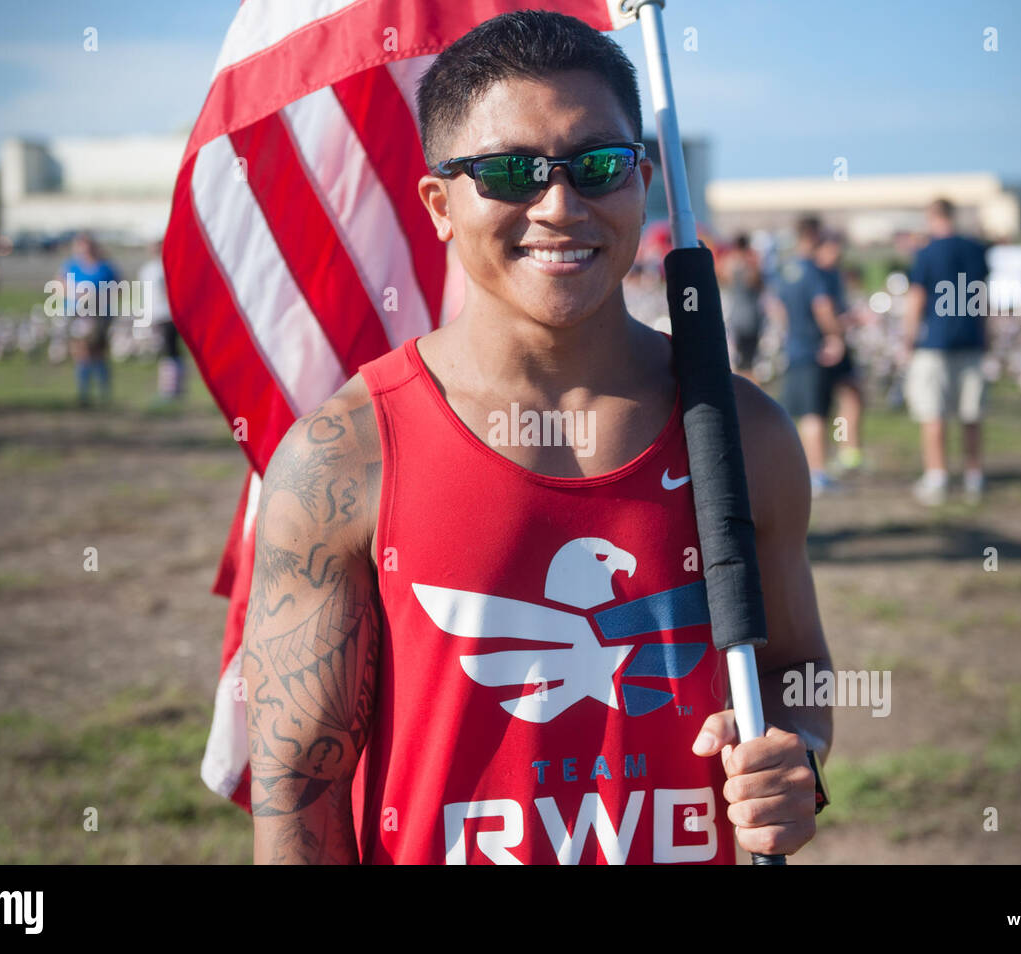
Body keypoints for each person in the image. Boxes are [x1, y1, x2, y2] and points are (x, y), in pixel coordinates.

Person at [241, 10, 831, 865]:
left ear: (644, 179)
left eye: (597, 165)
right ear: (441, 204)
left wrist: (795, 756)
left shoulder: (746, 433)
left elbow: (796, 666)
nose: (560, 205)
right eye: (511, 173)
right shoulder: (344, 455)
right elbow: (300, 787)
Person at [901, 198, 989, 505]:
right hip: (971, 339)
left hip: (934, 343)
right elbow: (981, 297)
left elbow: (917, 298)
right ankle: (974, 476)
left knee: (933, 412)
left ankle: (937, 476)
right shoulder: (976, 249)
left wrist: (908, 338)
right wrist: (985, 334)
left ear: (933, 217)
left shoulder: (926, 253)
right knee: (971, 412)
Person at [770, 215, 851, 497]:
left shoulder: (786, 268)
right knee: (815, 415)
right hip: (814, 351)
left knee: (801, 414)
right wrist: (835, 336)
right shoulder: (815, 271)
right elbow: (823, 307)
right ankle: (816, 475)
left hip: (795, 348)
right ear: (814, 234)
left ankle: (804, 471)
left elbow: (777, 307)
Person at [814, 231, 864, 475]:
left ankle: (847, 450)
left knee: (851, 396)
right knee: (820, 409)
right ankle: (821, 462)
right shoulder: (817, 277)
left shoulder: (835, 275)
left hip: (840, 345)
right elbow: (823, 312)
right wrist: (837, 333)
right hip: (825, 349)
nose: (838, 254)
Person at [55, 233, 118, 406]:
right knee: (81, 353)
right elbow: (58, 287)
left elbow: (118, 288)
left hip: (99, 315)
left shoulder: (105, 267)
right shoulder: (71, 266)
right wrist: (76, 293)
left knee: (98, 353)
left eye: (87, 246)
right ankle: (84, 393)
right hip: (77, 314)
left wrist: (97, 296)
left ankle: (104, 392)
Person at [137, 241, 183, 401]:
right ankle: (167, 387)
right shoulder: (147, 269)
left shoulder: (166, 265)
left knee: (170, 350)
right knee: (162, 351)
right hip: (154, 314)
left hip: (167, 314)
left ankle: (173, 388)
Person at [720, 232, 764, 373]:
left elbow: (723, 280)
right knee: (749, 361)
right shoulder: (751, 264)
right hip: (750, 316)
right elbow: (758, 285)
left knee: (739, 360)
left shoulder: (729, 263)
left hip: (736, 316)